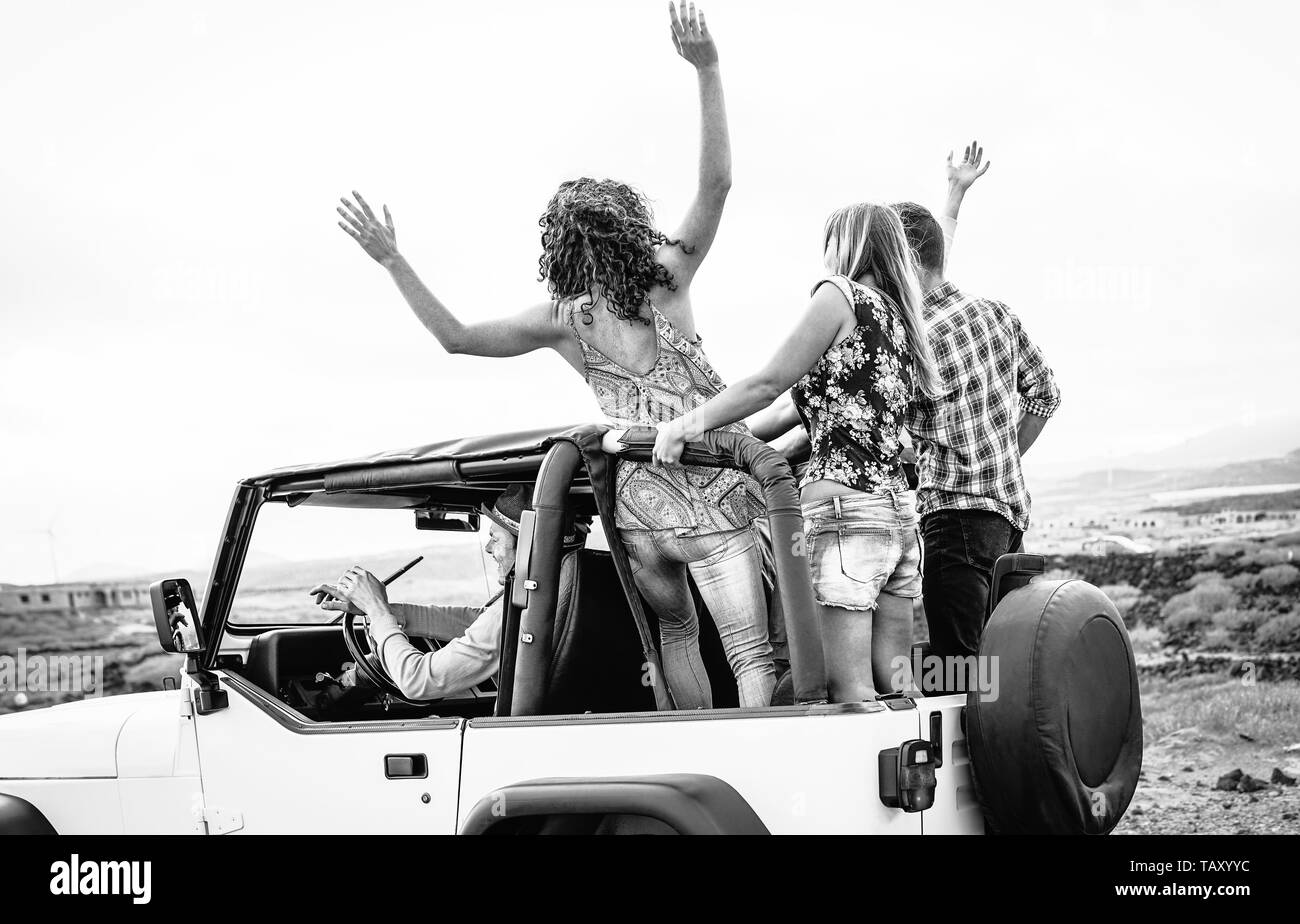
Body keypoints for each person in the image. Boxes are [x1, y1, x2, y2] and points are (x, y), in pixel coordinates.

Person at [335, 3, 774, 709]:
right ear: (627, 225)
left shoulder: (562, 319)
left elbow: (457, 338)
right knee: (751, 651)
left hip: (642, 511)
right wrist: (707, 68)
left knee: (678, 639)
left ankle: (702, 746)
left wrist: (394, 262)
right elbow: (716, 184)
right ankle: (757, 758)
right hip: (713, 487)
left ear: (561, 247)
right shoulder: (668, 276)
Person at [653, 203, 940, 702]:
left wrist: (685, 424)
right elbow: (788, 408)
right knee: (898, 687)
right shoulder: (899, 322)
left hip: (845, 513)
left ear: (845, 245)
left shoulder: (839, 296)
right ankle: (920, 779)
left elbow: (766, 383)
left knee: (849, 691)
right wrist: (723, 441)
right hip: (896, 519)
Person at [894, 144, 1062, 690]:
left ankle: (970, 776)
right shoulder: (994, 313)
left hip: (956, 523)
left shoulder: (915, 342)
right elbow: (1045, 394)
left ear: (904, 266)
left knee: (959, 674)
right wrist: (1001, 451)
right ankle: (1008, 771)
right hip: (1008, 518)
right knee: (996, 667)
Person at [308, 484, 585, 701]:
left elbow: (417, 681)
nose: (488, 548)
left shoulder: (527, 603)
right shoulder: (561, 590)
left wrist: (379, 613)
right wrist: (381, 609)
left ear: (528, 547)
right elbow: (481, 621)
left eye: (495, 538)